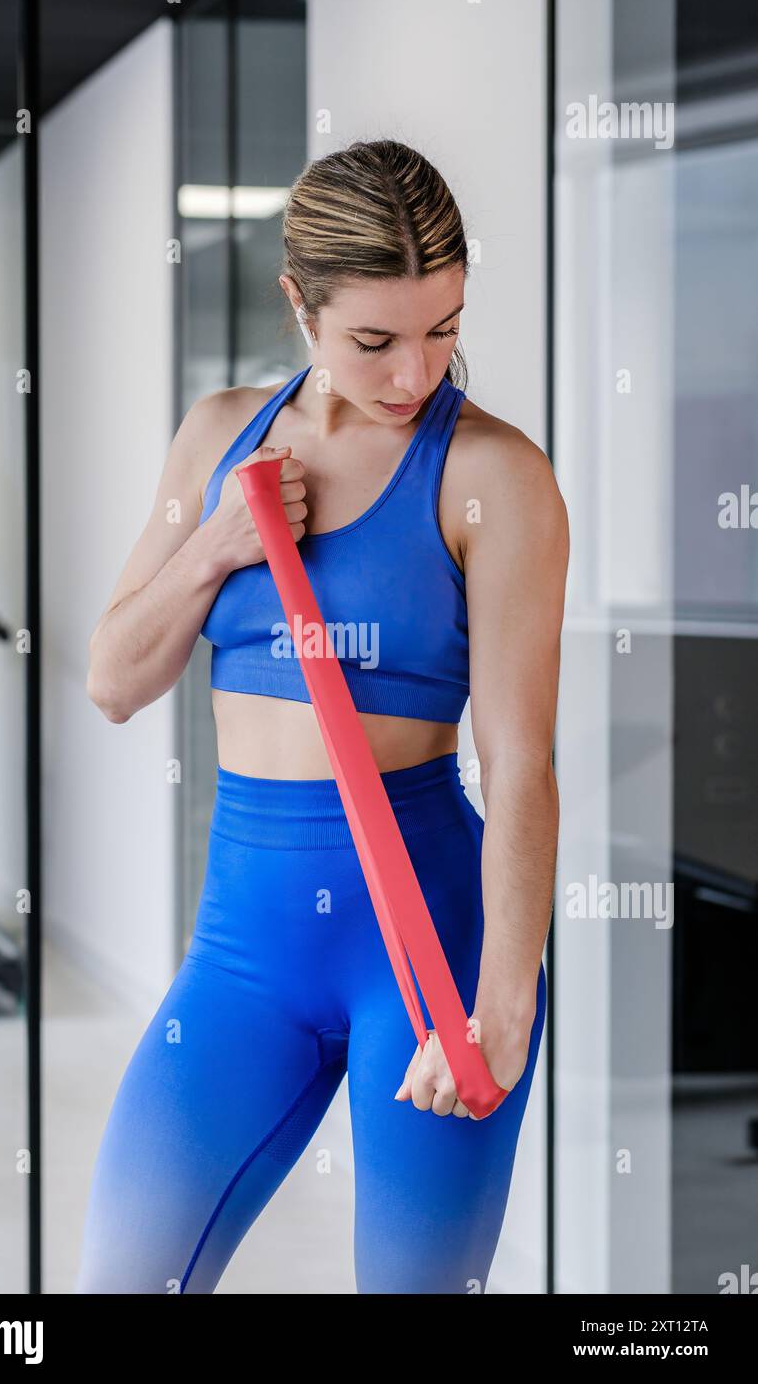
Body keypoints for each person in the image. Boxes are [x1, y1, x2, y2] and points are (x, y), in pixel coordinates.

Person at [76, 138, 568, 1294]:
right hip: (241, 959)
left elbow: (521, 761)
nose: (416, 372)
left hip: (431, 957)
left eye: (442, 326)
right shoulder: (218, 438)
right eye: (374, 340)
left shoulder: (492, 476)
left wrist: (498, 1001)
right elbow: (111, 678)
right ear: (298, 302)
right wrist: (215, 547)